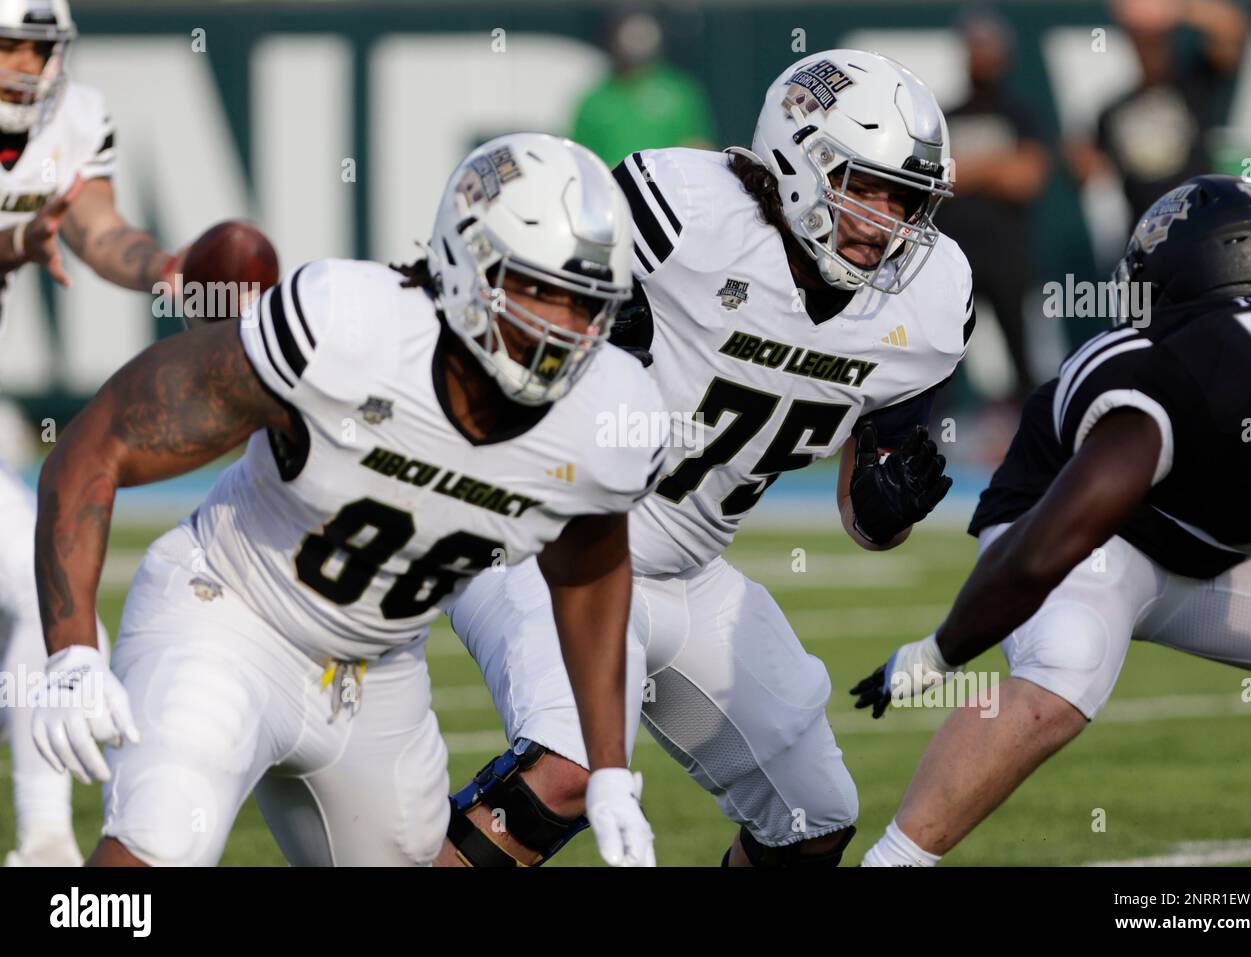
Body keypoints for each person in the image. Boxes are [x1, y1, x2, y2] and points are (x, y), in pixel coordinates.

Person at [29, 132, 665, 867]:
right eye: (540, 290)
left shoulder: (605, 409)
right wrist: (71, 650)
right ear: (468, 264)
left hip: (377, 672)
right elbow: (98, 444)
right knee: (157, 847)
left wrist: (608, 767)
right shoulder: (348, 329)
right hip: (228, 615)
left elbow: (589, 572)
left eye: (587, 301)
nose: (565, 325)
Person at [438, 50, 973, 867]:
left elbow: (866, 514)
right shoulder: (683, 212)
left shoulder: (927, 301)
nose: (885, 221)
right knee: (568, 769)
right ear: (798, 160)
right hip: (543, 538)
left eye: (906, 199)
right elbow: (498, 299)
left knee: (812, 819)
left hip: (687, 572)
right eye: (865, 187)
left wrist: (884, 507)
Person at [853, 174, 1251, 867]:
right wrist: (938, 653)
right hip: (1091, 539)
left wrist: (934, 655)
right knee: (1065, 662)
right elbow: (1048, 547)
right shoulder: (1164, 365)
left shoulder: (1197, 359)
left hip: (1213, 550)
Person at [0, 0, 183, 868]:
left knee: (48, 602)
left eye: (39, 49)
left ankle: (45, 840)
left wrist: (165, 267)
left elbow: (99, 230)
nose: (27, 68)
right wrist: (13, 240)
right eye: (10, 45)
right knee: (45, 594)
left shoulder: (72, 116)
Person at [939, 7, 1050, 403]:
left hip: (1006, 257)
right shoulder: (946, 115)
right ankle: (926, 433)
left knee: (1022, 360)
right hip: (954, 257)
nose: (980, 57)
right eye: (974, 48)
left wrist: (968, 169)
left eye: (987, 48)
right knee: (937, 360)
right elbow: (937, 179)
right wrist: (996, 166)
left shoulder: (1019, 115)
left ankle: (1032, 429)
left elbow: (1027, 179)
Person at [1066, 0, 1250, 228]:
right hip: (1148, 231)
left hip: (1200, 223)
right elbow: (1089, 173)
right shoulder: (1114, 109)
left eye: (1155, 41)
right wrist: (1081, 161)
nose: (1149, 50)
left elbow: (1231, 28)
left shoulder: (1195, 83)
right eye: (1142, 42)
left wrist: (1171, 9)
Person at [571, 9, 713, 168]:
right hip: (613, 181)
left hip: (667, 182)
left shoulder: (680, 93)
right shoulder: (595, 101)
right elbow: (581, 158)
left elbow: (698, 147)